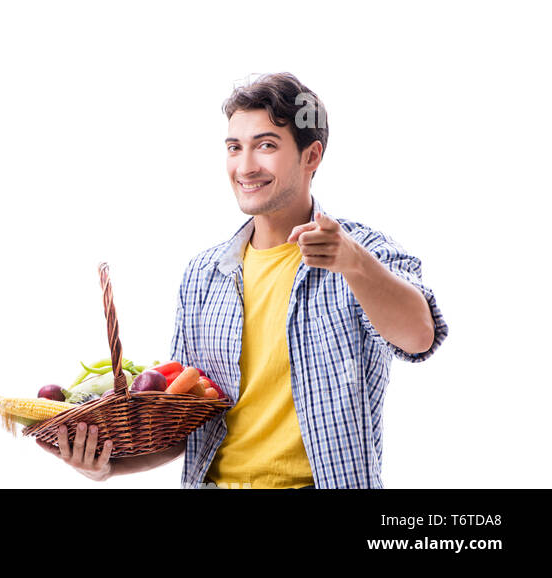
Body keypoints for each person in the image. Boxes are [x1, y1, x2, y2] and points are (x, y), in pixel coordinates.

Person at [41, 72, 447, 489]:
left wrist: (354, 263)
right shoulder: (203, 276)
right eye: (235, 147)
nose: (246, 166)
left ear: (312, 156)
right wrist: (108, 467)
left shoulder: (363, 251)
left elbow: (419, 336)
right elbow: (187, 423)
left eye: (266, 145)